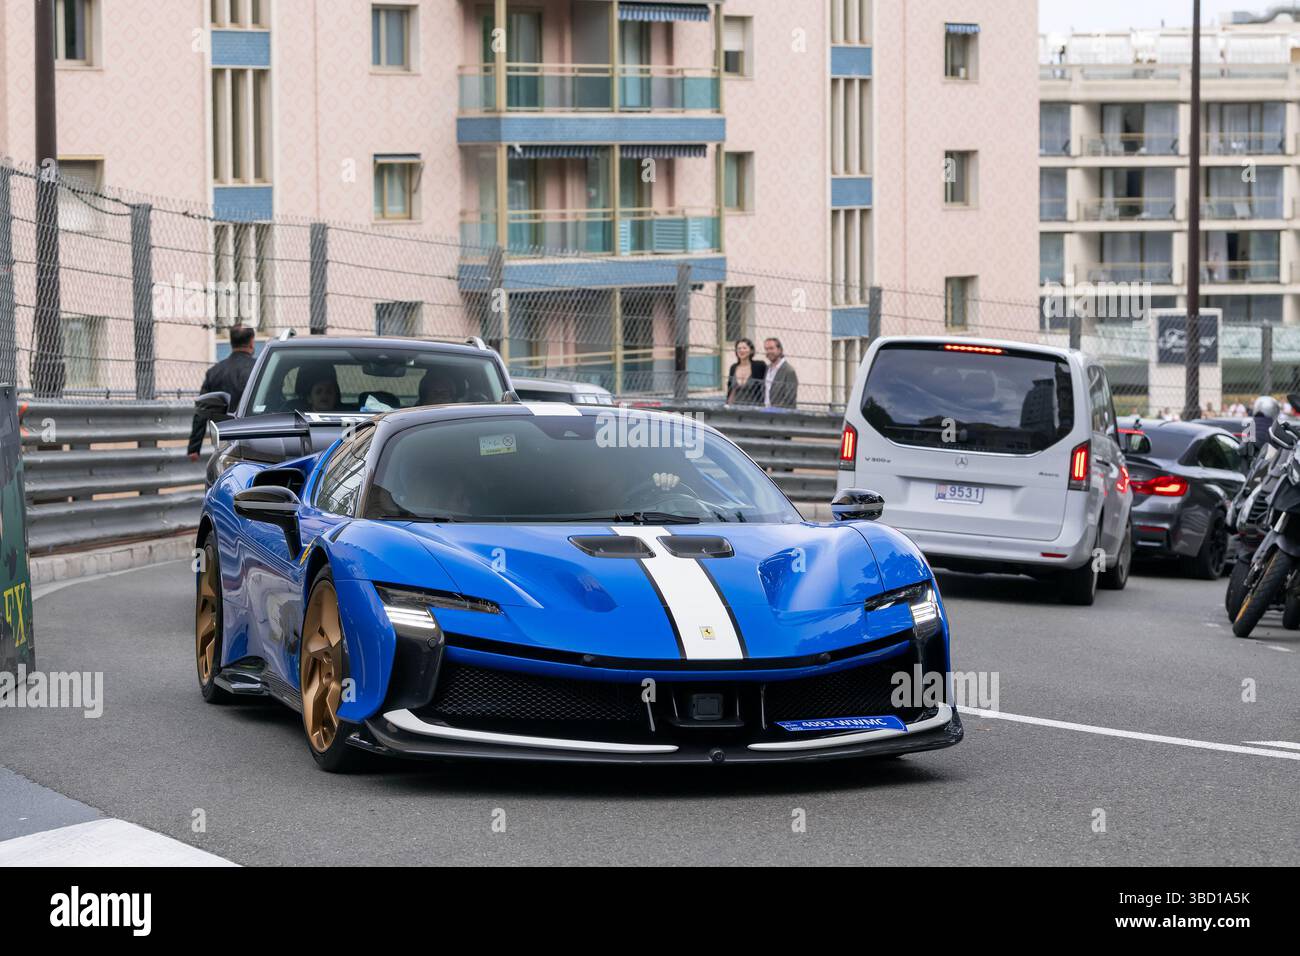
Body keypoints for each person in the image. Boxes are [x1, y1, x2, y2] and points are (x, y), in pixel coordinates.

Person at [187, 325, 255, 461]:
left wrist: (194, 447)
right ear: (252, 342)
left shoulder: (214, 372)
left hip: (223, 440)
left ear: (231, 342)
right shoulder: (258, 369)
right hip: (253, 437)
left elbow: (202, 409)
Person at [725, 338, 765, 405]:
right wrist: (728, 405)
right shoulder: (733, 367)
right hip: (736, 408)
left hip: (754, 409)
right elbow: (731, 391)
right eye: (739, 348)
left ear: (751, 350)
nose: (741, 350)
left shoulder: (759, 366)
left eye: (744, 348)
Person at [762, 337, 798, 408]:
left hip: (781, 415)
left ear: (779, 350)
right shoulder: (767, 369)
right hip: (766, 413)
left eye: (771, 348)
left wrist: (776, 410)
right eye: (766, 349)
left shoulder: (789, 371)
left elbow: (790, 398)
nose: (769, 352)